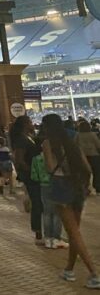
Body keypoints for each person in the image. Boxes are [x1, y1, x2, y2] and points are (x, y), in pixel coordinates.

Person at [42, 113, 100, 288]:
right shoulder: (72, 140)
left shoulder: (47, 143)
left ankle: (94, 274)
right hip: (77, 185)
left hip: (60, 187)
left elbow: (50, 168)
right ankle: (69, 269)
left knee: (73, 233)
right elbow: (87, 167)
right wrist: (87, 185)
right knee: (75, 231)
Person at [11, 115, 44, 245]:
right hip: (31, 175)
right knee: (37, 201)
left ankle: (40, 229)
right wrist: (32, 170)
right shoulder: (21, 140)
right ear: (25, 124)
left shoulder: (28, 138)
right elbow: (19, 160)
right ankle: (38, 231)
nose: (32, 123)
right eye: (30, 121)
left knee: (38, 201)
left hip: (33, 173)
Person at [30, 147, 68, 250]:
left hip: (43, 185)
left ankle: (47, 238)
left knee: (47, 212)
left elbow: (34, 176)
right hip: (57, 184)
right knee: (57, 212)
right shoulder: (56, 158)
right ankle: (56, 237)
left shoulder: (36, 159)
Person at [75, 121, 100, 194]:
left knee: (85, 173)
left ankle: (86, 188)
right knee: (97, 172)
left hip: (82, 156)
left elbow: (75, 145)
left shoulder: (78, 135)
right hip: (94, 155)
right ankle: (98, 188)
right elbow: (98, 145)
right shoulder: (92, 134)